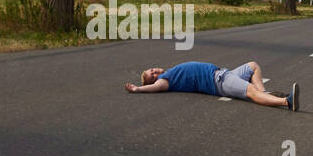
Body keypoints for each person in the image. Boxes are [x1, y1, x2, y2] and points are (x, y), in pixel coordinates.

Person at [125, 60, 299, 110]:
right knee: (251, 92)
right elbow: (158, 87)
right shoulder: (165, 80)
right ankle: (286, 102)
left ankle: (266, 93)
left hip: (224, 73)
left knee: (253, 66)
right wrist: (138, 89)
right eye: (152, 75)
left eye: (152, 69)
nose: (155, 72)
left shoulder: (169, 72)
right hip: (219, 82)